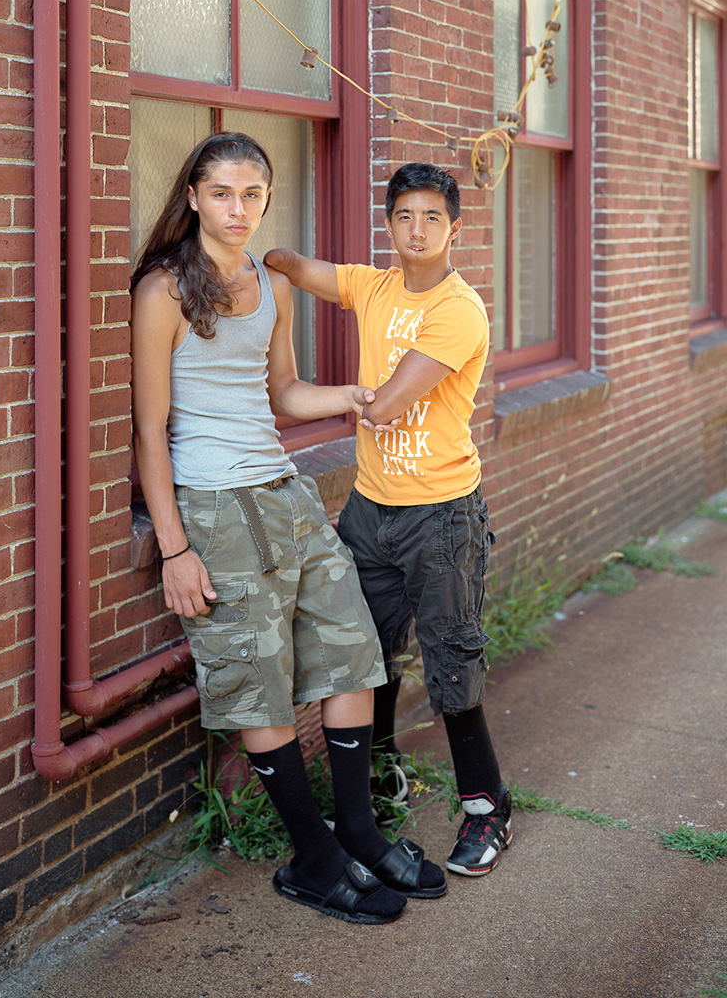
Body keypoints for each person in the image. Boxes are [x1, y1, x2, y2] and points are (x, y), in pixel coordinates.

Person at [130, 135, 447, 925]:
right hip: (217, 508)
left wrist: (351, 396)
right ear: (194, 197)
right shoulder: (164, 290)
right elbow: (149, 432)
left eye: (253, 194)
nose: (238, 209)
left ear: (267, 199)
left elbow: (282, 393)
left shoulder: (271, 282)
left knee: (353, 655)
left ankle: (359, 835)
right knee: (257, 680)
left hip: (287, 492)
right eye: (222, 193)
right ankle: (313, 859)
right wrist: (174, 548)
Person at [264, 162, 512, 877]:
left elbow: (389, 405)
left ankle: (487, 807)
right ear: (389, 224)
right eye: (404, 216)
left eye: (432, 217)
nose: (417, 230)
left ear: (454, 228)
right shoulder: (372, 286)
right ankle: (379, 776)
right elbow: (296, 265)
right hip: (370, 510)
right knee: (364, 656)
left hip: (441, 515)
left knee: (451, 663)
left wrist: (338, 397)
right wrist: (259, 261)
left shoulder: (459, 310)